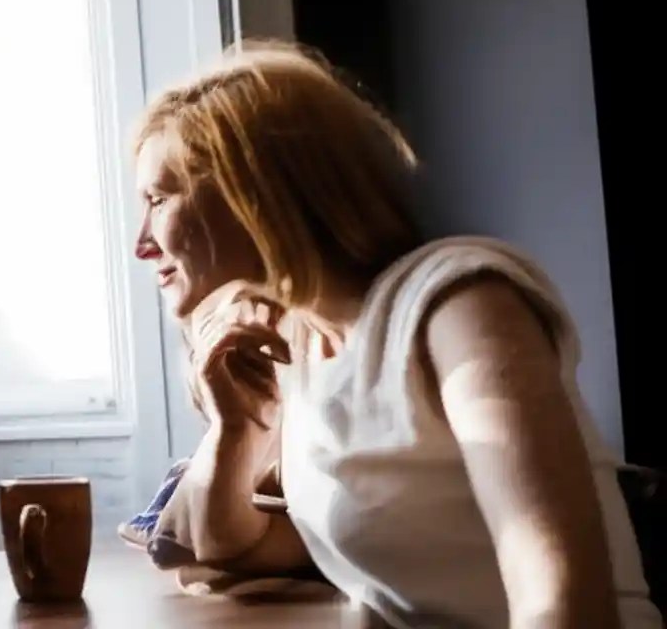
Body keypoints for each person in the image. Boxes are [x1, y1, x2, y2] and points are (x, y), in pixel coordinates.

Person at [128, 39, 661, 628]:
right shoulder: (304, 344)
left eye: (158, 199)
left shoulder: (458, 306)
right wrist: (236, 428)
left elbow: (562, 596)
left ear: (253, 189)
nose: (142, 243)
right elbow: (226, 544)